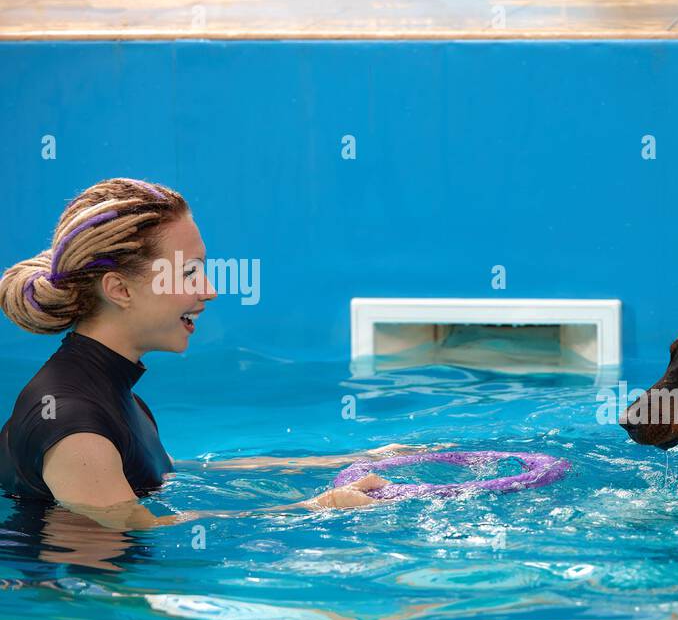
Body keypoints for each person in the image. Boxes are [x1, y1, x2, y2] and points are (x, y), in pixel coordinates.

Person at [0, 177, 393, 532]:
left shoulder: (115, 397)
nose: (209, 290)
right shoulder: (76, 426)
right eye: (188, 273)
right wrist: (313, 508)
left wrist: (352, 460)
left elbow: (166, 479)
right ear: (119, 290)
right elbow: (139, 529)